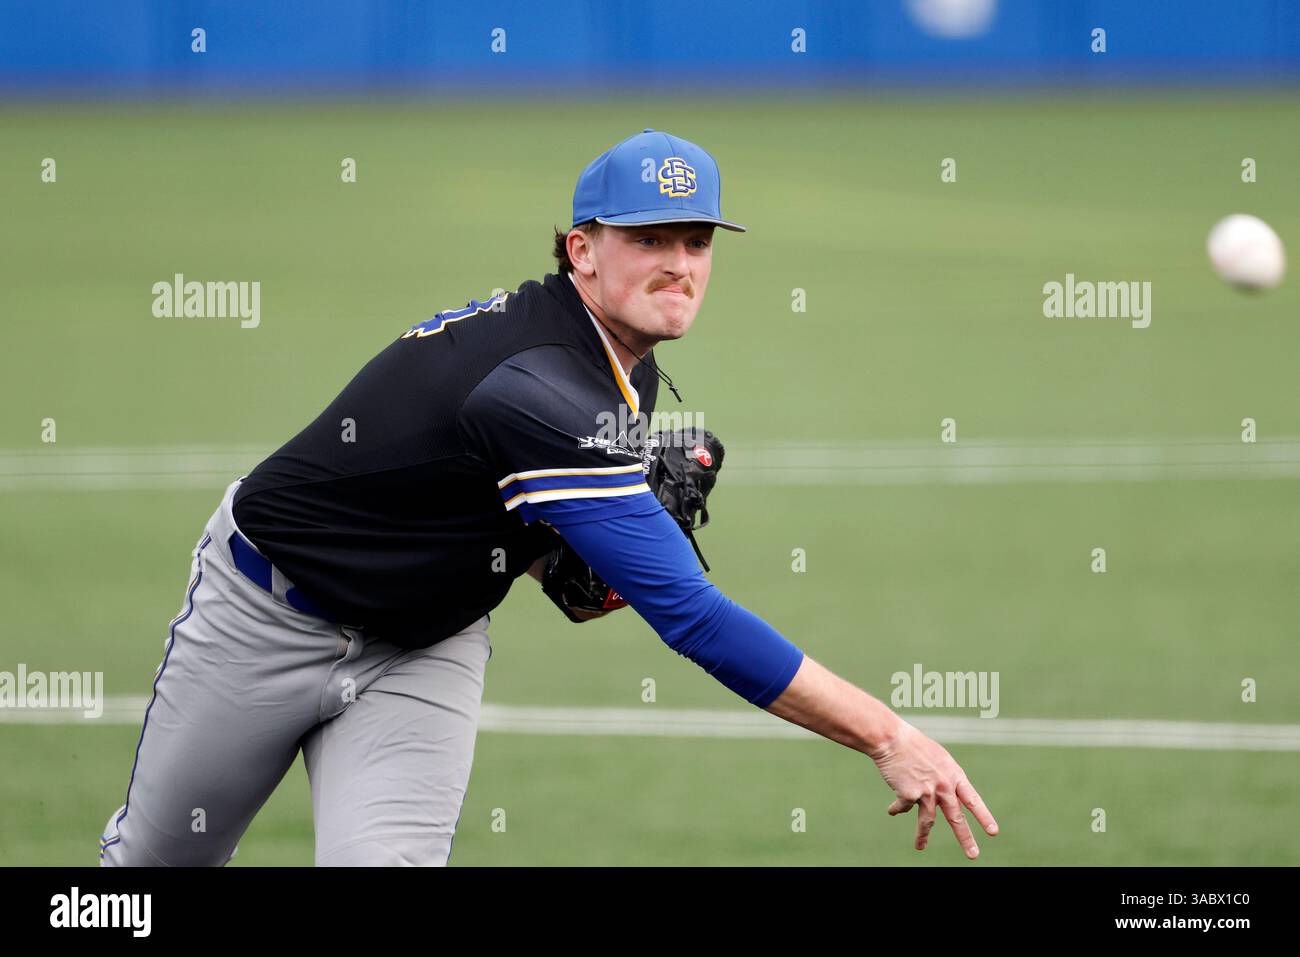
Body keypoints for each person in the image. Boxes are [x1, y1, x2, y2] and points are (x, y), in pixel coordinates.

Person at [100, 128, 997, 867]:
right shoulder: (541, 387)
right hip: (264, 616)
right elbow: (689, 614)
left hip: (421, 645)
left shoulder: (617, 372)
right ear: (582, 249)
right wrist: (888, 735)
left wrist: (572, 558)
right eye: (647, 239)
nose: (679, 264)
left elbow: (554, 574)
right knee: (149, 871)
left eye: (696, 241)